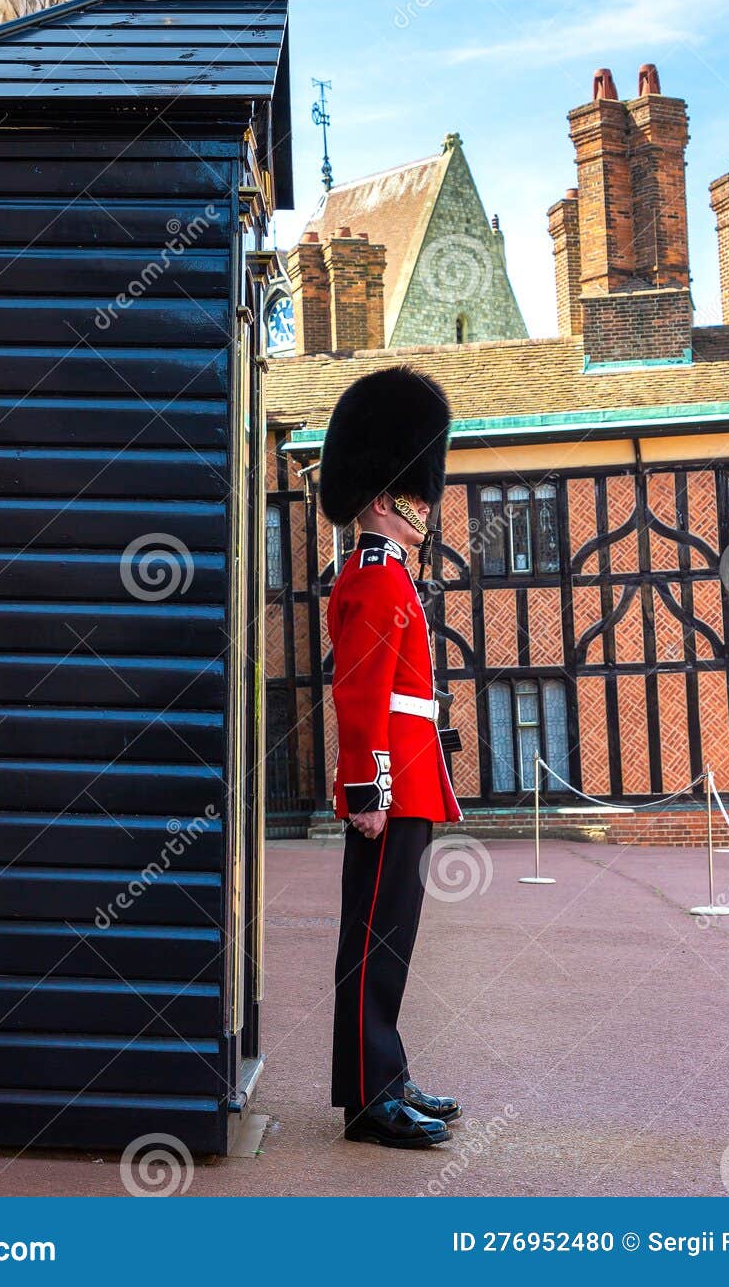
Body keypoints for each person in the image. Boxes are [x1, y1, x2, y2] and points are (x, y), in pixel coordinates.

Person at [319, 365, 463, 1149]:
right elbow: (361, 695)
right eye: (414, 494)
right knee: (375, 936)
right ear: (383, 498)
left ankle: (385, 1075)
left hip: (409, 777)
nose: (425, 508)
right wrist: (368, 790)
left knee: (389, 937)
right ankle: (373, 1101)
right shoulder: (375, 581)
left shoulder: (393, 579)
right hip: (390, 785)